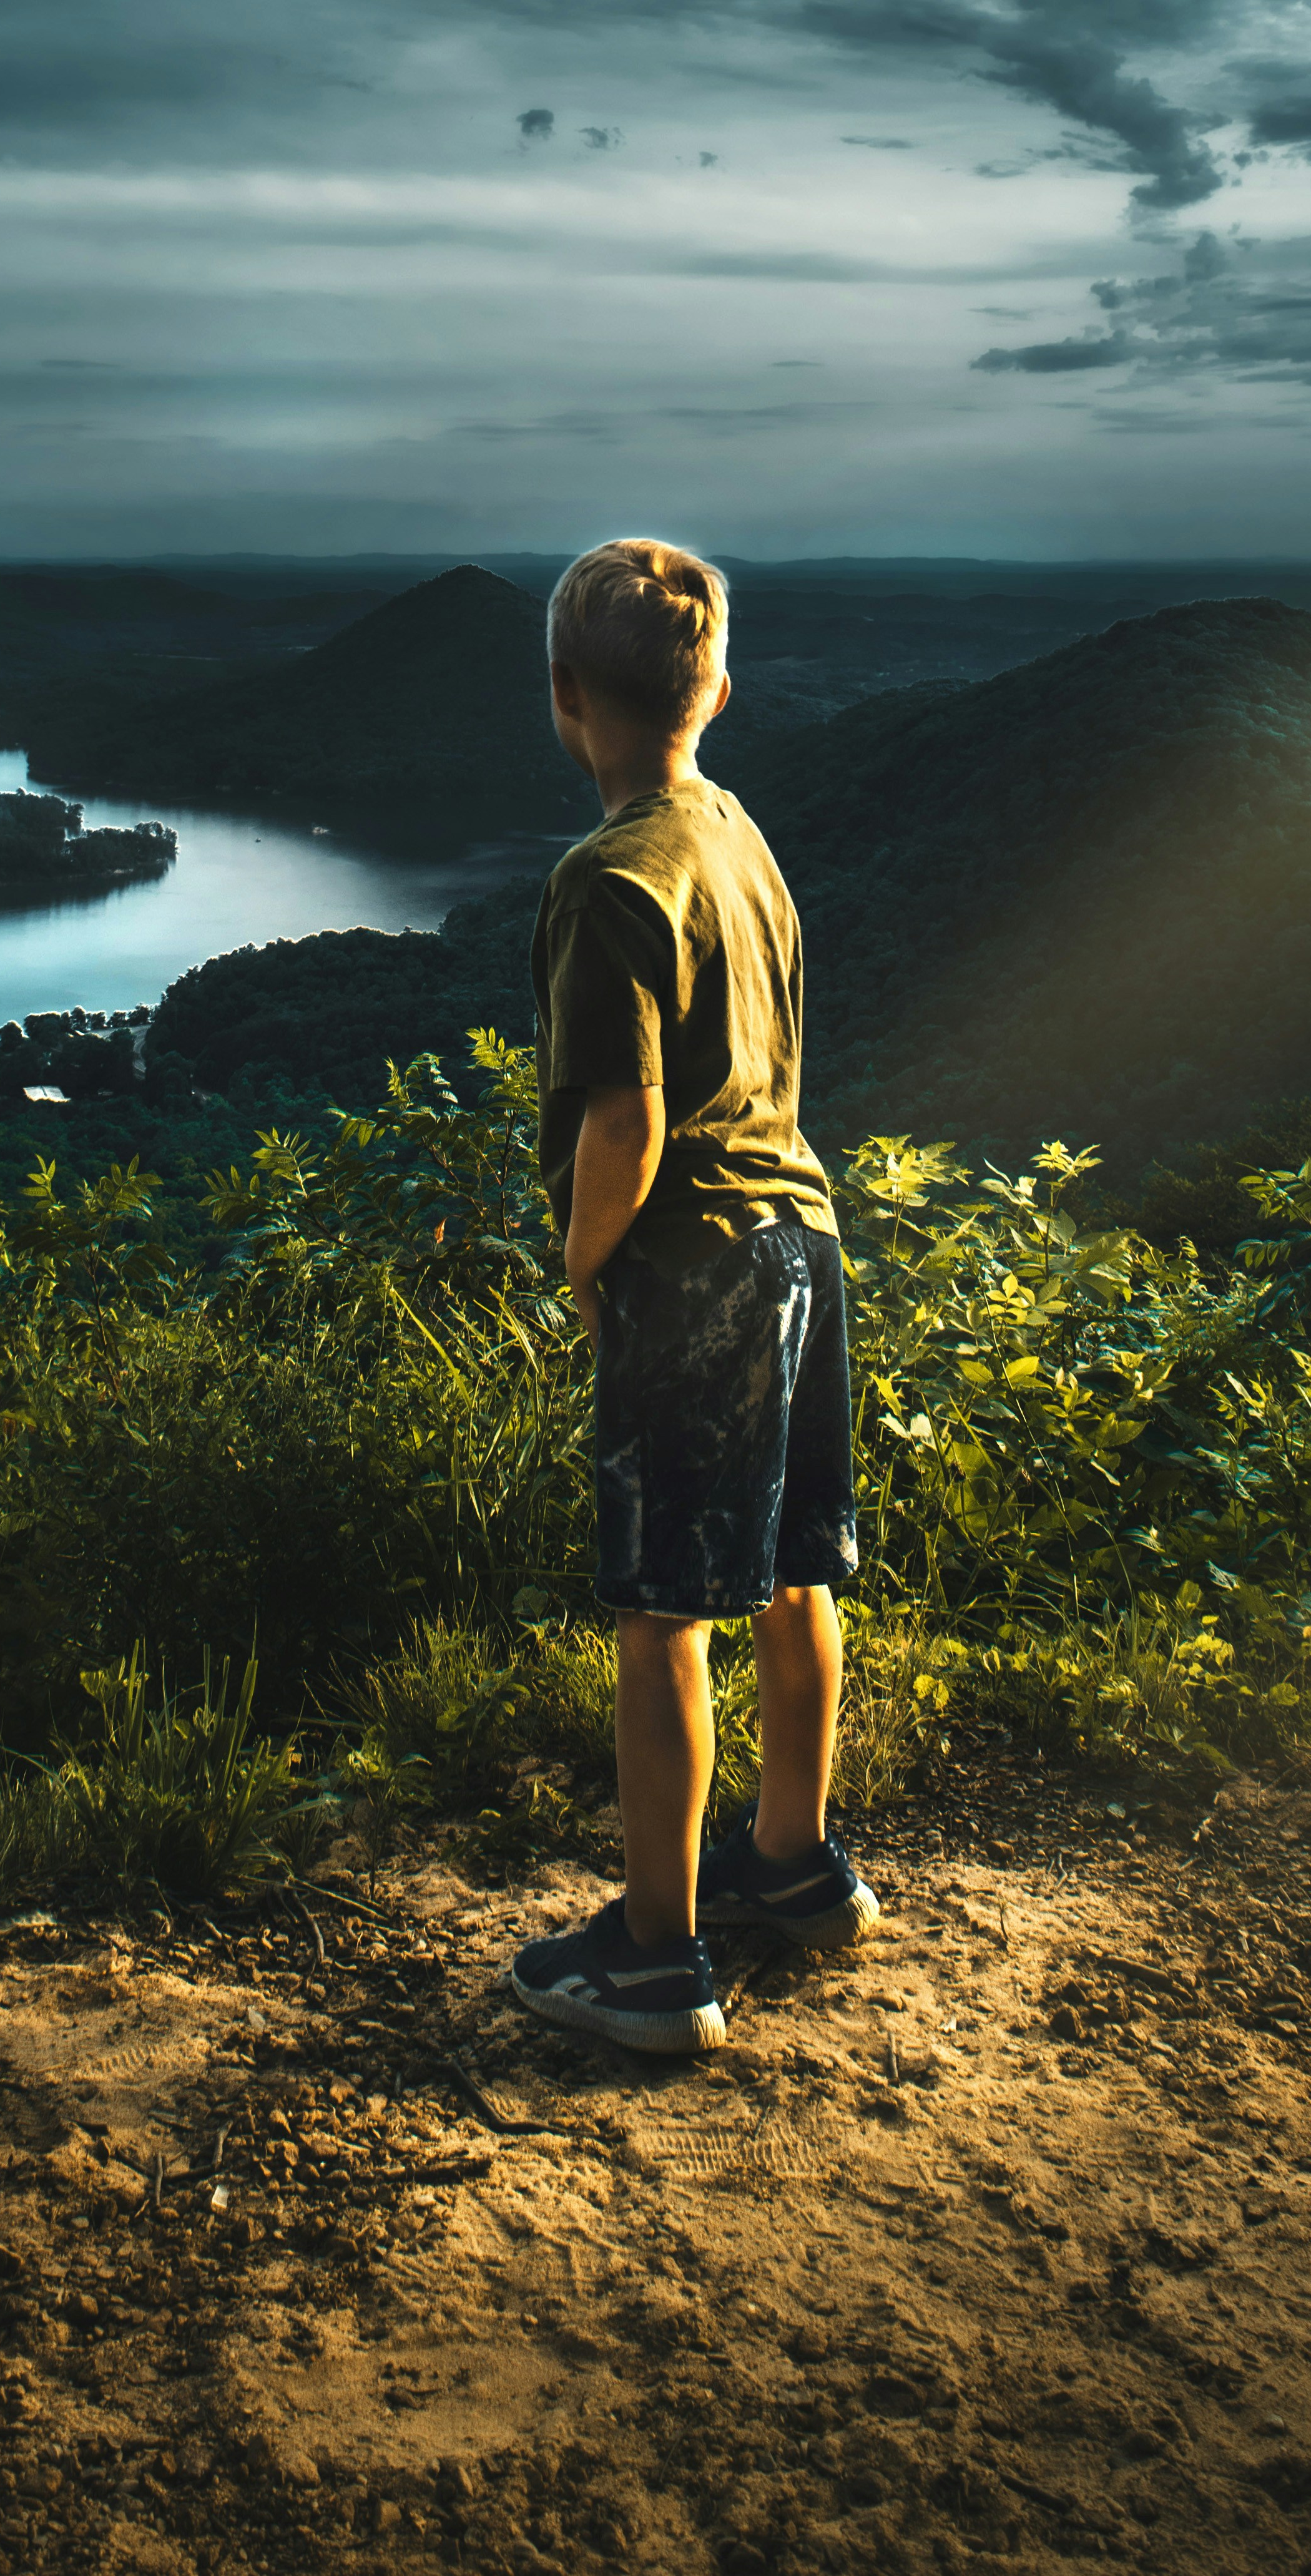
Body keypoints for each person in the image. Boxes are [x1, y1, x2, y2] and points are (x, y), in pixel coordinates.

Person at [506, 536, 876, 2057]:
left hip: (698, 1263)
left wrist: (583, 1262)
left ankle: (656, 1960)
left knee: (663, 1611)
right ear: (715, 686)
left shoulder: (610, 879)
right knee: (795, 1568)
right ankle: (790, 1864)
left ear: (565, 697)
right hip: (803, 1240)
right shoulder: (736, 833)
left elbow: (624, 1124)